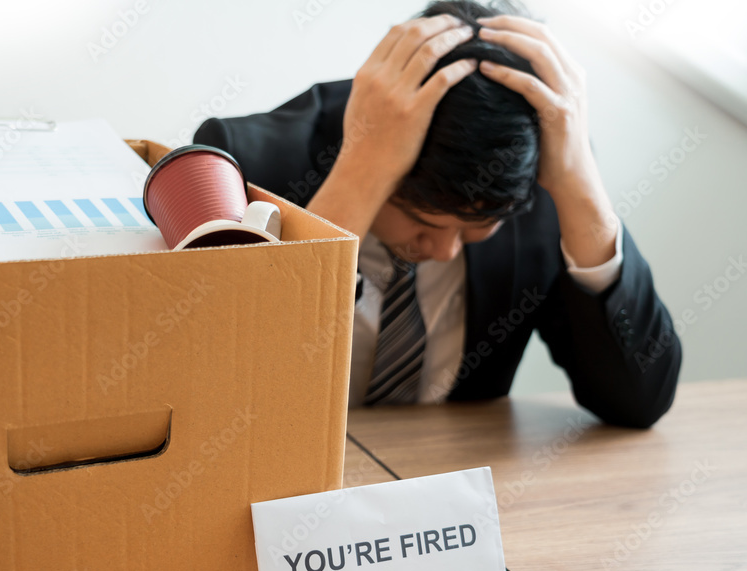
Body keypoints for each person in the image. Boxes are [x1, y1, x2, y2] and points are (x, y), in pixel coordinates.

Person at [194, 0, 680, 428]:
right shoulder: (237, 166)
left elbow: (638, 402)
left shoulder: (542, 180)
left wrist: (583, 188)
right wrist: (360, 176)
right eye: (424, 222)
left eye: (475, 228)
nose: (446, 250)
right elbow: (208, 395)